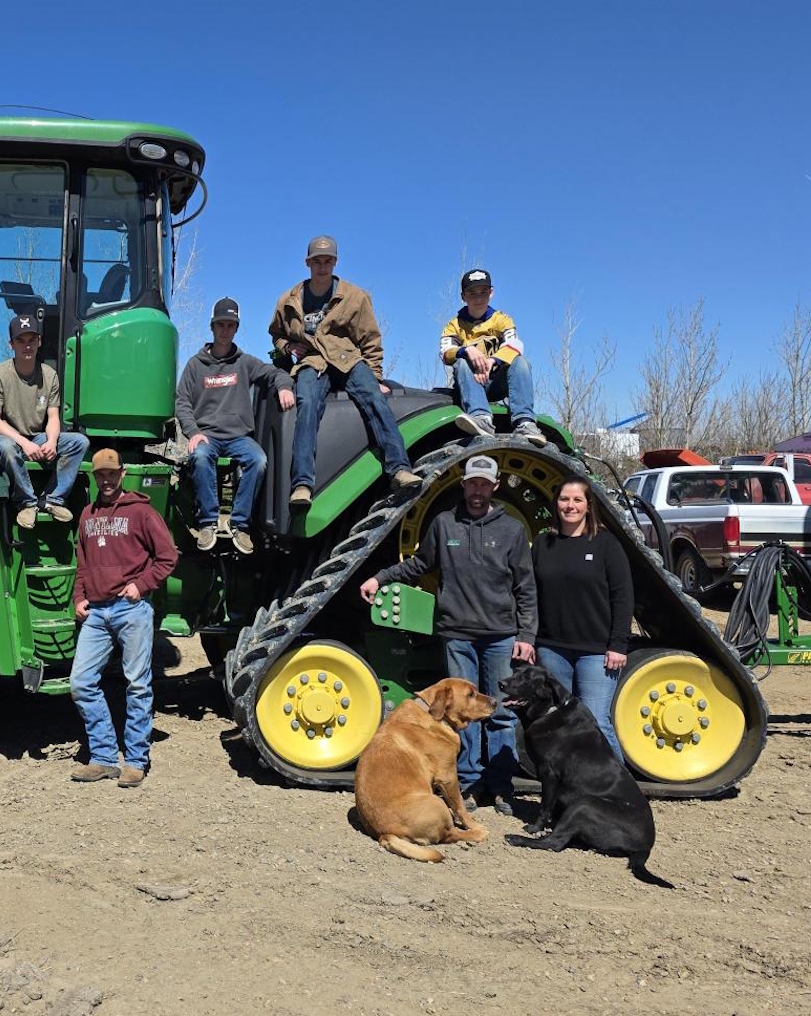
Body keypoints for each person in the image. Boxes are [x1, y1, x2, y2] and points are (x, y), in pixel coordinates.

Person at [357, 454, 536, 814]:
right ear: (463, 484)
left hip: (500, 634)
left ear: (495, 486)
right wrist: (380, 578)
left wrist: (526, 636)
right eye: (473, 483)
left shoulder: (512, 530)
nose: (478, 490)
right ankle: (468, 783)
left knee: (501, 712)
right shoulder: (444, 524)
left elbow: (525, 586)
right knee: (460, 716)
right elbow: (420, 564)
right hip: (457, 634)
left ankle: (501, 786)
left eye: (485, 484)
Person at [269, 234, 421, 508]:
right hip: (313, 361)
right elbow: (276, 334)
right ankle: (302, 484)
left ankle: (399, 468)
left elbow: (370, 339)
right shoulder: (289, 300)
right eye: (317, 261)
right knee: (307, 403)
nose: (322, 266)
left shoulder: (354, 296)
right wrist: (288, 346)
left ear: (335, 262)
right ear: (308, 263)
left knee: (375, 399)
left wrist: (375, 376)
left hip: (347, 359)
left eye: (327, 261)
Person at [69, 448, 179, 788]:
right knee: (81, 682)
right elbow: (83, 563)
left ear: (122, 473)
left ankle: (135, 760)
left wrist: (141, 585)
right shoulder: (87, 514)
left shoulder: (142, 512)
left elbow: (168, 556)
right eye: (100, 474)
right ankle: (103, 758)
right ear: (94, 477)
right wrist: (79, 597)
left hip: (131, 609)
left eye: (111, 473)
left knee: (138, 684)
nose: (106, 480)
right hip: (96, 611)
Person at [176, 296, 294, 553]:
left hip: (239, 437)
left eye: (231, 325)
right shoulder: (195, 365)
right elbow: (182, 401)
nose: (225, 330)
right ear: (212, 326)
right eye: (221, 324)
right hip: (207, 435)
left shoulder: (245, 363)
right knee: (200, 456)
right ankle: (207, 523)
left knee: (258, 460)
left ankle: (240, 525)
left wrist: (284, 387)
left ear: (237, 328)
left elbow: (276, 373)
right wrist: (193, 432)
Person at [531, 477, 634, 760]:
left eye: (577, 500)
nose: (570, 505)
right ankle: (574, 781)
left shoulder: (606, 544)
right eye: (564, 499)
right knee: (560, 722)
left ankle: (619, 784)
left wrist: (618, 644)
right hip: (552, 649)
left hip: (596, 652)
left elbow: (623, 596)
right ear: (556, 504)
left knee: (595, 722)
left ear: (589, 505)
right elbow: (530, 594)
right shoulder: (542, 544)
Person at [0, 314, 89, 529]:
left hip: (36, 437)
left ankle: (52, 499)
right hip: (4, 437)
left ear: (39, 341)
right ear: (11, 344)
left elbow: (53, 417)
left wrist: (51, 442)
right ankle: (27, 503)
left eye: (32, 340)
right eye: (20, 340)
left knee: (79, 442)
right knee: (7, 447)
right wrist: (24, 443)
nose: (27, 346)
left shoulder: (49, 375)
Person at [439, 268, 546, 446]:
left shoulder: (501, 319)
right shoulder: (454, 325)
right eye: (472, 293)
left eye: (483, 292)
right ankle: (481, 417)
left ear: (491, 293)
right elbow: (445, 352)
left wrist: (492, 361)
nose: (478, 298)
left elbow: (515, 344)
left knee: (521, 362)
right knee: (461, 363)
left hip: (497, 382)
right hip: (471, 381)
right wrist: (466, 351)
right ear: (463, 296)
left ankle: (525, 422)